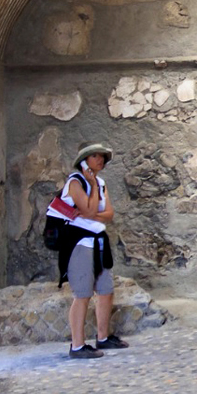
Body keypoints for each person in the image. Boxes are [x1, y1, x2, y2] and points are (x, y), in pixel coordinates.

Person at [59, 141, 129, 359]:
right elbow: (88, 209)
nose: (100, 160)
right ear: (84, 160)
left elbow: (108, 213)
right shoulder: (75, 182)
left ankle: (102, 337)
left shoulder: (100, 183)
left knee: (106, 290)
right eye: (95, 156)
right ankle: (77, 346)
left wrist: (94, 212)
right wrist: (92, 198)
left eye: (102, 157)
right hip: (80, 245)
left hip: (98, 242)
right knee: (83, 294)